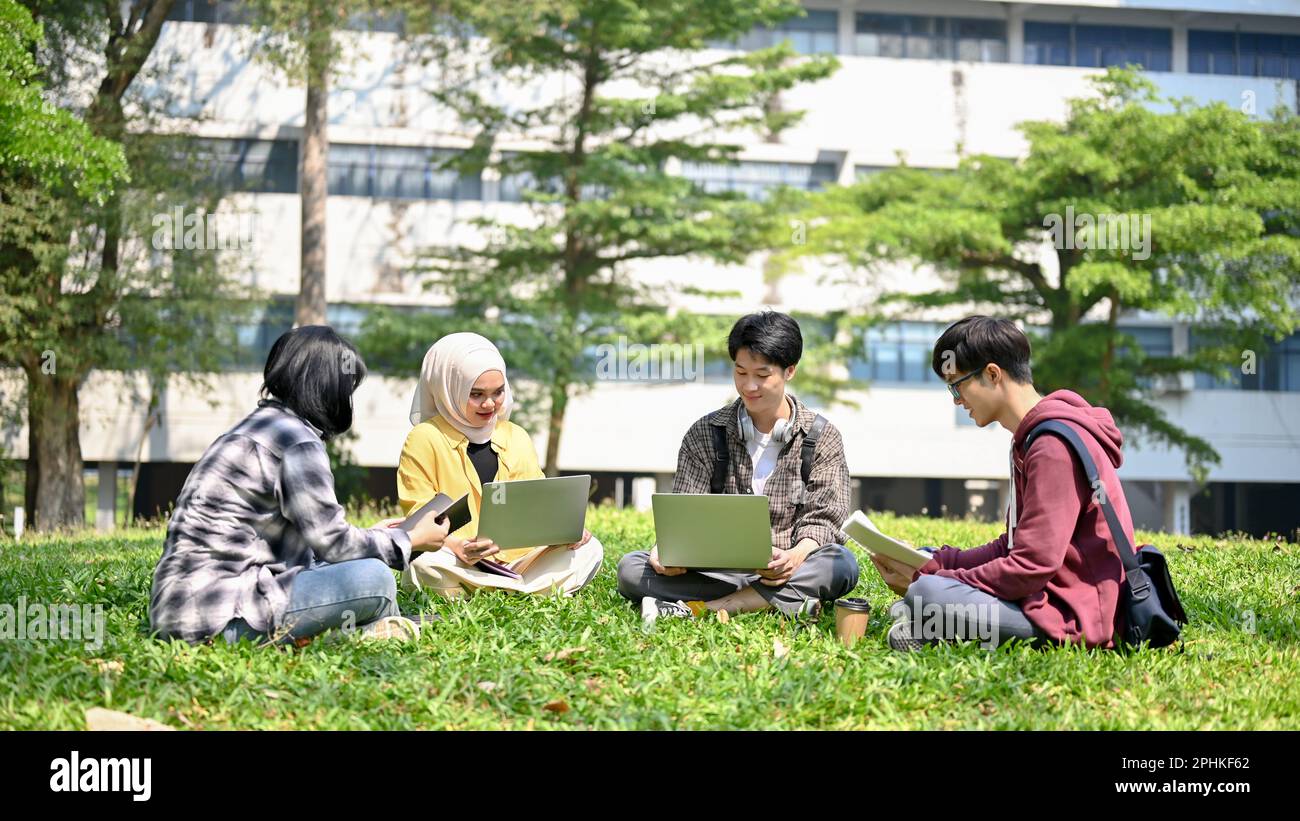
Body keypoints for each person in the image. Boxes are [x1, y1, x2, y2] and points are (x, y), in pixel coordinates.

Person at [149, 326, 449, 646]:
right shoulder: (296, 441)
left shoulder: (253, 428)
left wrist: (376, 536)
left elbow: (310, 548)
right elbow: (333, 544)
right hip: (222, 618)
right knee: (375, 578)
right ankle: (372, 633)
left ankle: (360, 631)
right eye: (347, 388)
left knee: (365, 567)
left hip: (174, 612)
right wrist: (409, 539)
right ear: (328, 387)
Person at [871, 316, 1131, 651]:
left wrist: (928, 580)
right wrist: (934, 561)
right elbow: (1011, 548)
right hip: (1047, 597)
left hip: (1073, 615)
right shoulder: (1032, 438)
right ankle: (932, 622)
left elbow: (1032, 566)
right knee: (928, 570)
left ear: (993, 374)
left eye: (957, 385)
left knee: (927, 593)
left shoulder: (1052, 446)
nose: (956, 400)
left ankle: (931, 622)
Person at [616, 311, 860, 626]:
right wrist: (666, 552)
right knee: (631, 568)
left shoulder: (822, 436)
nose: (749, 386)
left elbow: (826, 520)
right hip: (716, 569)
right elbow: (684, 512)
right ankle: (775, 601)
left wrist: (795, 557)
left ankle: (706, 607)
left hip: (789, 566)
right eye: (740, 371)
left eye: (762, 374)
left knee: (840, 564)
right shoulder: (706, 432)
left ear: (790, 371)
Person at [397, 332, 603, 596]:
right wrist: (457, 546)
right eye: (476, 394)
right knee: (423, 561)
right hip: (455, 560)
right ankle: (523, 590)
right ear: (448, 389)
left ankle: (493, 588)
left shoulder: (515, 435)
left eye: (498, 392)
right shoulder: (424, 438)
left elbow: (540, 504)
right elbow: (418, 521)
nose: (490, 404)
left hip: (521, 561)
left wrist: (564, 531)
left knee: (589, 548)